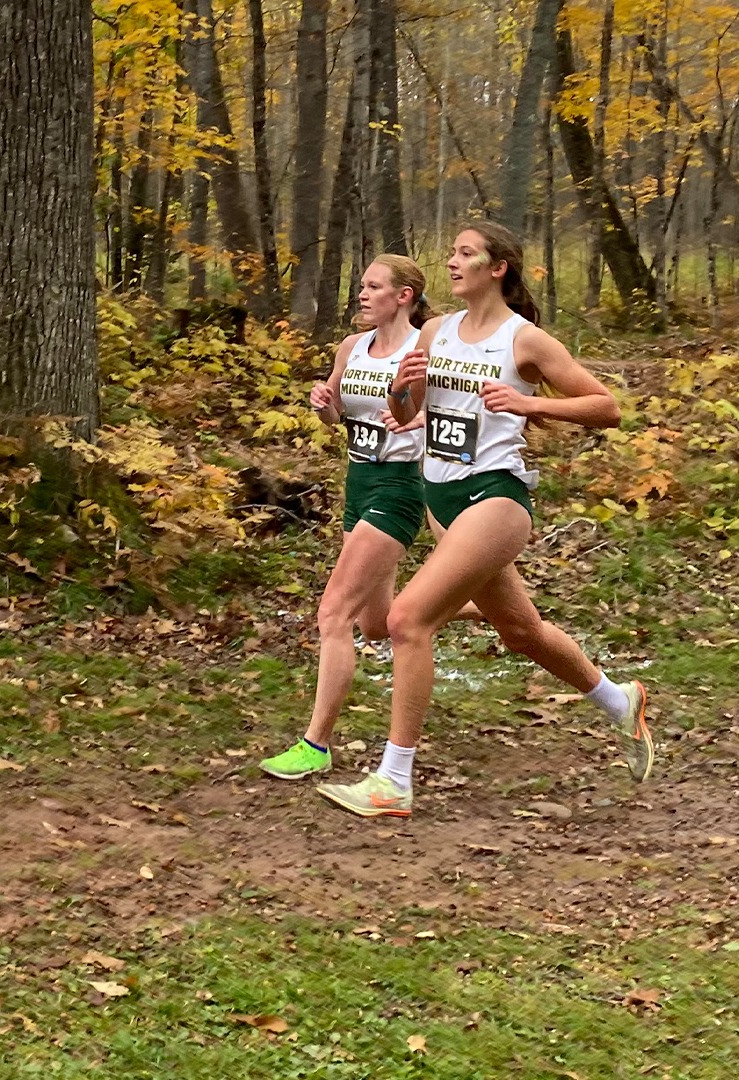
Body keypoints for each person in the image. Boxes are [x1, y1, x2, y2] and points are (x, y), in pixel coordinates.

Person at [317, 220, 653, 819]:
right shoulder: (437, 329)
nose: (451, 262)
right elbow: (407, 413)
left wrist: (529, 402)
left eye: (465, 253)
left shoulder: (525, 340)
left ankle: (394, 780)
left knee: (406, 619)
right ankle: (619, 700)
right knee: (521, 631)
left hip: (497, 497)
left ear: (496, 269)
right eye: (451, 252)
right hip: (440, 496)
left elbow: (606, 408)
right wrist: (404, 391)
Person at [258, 255, 430, 781]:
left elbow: (450, 409)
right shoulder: (352, 348)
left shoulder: (424, 347)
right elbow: (338, 413)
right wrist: (322, 405)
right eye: (361, 286)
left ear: (403, 296)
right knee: (374, 623)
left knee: (332, 613)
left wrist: (415, 417)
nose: (361, 295)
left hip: (401, 486)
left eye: (373, 287)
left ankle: (316, 744)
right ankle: (469, 604)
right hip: (358, 482)